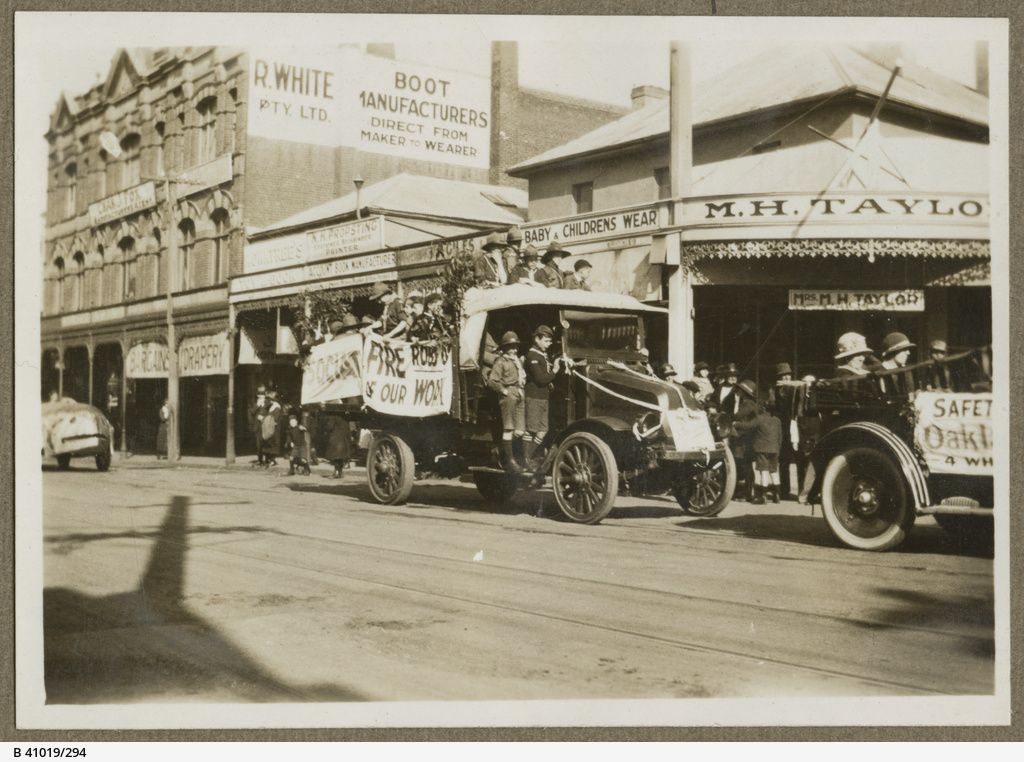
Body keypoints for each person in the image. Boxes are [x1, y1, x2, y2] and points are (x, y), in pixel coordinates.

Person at [486, 331, 527, 474]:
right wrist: (504, 391)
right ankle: (510, 461)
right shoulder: (501, 361)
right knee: (508, 428)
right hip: (508, 394)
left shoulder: (518, 361)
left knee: (520, 431)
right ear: (504, 348)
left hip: (520, 393)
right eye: (510, 347)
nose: (514, 350)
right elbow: (492, 381)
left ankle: (500, 450)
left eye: (515, 346)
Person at [524, 325, 563, 470]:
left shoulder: (542, 354)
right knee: (531, 429)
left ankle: (528, 456)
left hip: (542, 396)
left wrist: (549, 382)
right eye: (546, 341)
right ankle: (526, 459)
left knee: (543, 430)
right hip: (534, 396)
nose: (548, 344)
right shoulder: (532, 355)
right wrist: (554, 371)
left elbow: (544, 378)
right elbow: (540, 379)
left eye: (549, 341)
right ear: (536, 339)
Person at [728, 379, 759, 502]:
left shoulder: (747, 405)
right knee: (746, 466)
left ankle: (744, 493)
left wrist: (736, 403)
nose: (737, 391)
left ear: (744, 392)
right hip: (747, 439)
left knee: (742, 466)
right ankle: (745, 492)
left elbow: (736, 417)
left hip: (742, 440)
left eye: (740, 389)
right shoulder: (751, 404)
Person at [769, 362, 797, 498]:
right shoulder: (774, 390)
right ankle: (783, 490)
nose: (786, 378)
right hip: (781, 427)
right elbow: (772, 407)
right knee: (783, 459)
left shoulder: (794, 389)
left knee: (795, 457)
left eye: (788, 375)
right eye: (783, 376)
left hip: (794, 426)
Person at [795, 375, 821, 505]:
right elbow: (795, 416)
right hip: (802, 434)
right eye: (805, 382)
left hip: (815, 433)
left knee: (812, 464)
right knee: (802, 465)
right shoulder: (798, 398)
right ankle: (802, 493)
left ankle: (809, 493)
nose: (808, 385)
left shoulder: (816, 397)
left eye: (811, 382)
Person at [320, 406, 353, 479]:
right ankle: (340, 473)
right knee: (340, 458)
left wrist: (325, 425)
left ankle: (336, 472)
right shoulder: (344, 417)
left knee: (335, 458)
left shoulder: (333, 417)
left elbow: (329, 427)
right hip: (343, 441)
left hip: (335, 441)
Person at [260, 389, 283, 467]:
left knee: (272, 443)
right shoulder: (271, 407)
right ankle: (270, 460)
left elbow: (275, 418)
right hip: (270, 427)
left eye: (270, 400)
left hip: (273, 428)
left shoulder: (276, 408)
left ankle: (272, 460)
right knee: (269, 443)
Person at [249, 384, 268, 465]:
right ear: (257, 395)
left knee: (266, 442)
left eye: (263, 394)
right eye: (260, 394)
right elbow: (252, 412)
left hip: (266, 425)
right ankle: (260, 459)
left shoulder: (268, 402)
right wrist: (258, 405)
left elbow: (270, 412)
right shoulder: (254, 402)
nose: (261, 396)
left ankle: (267, 459)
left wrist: (263, 416)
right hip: (258, 426)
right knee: (258, 443)